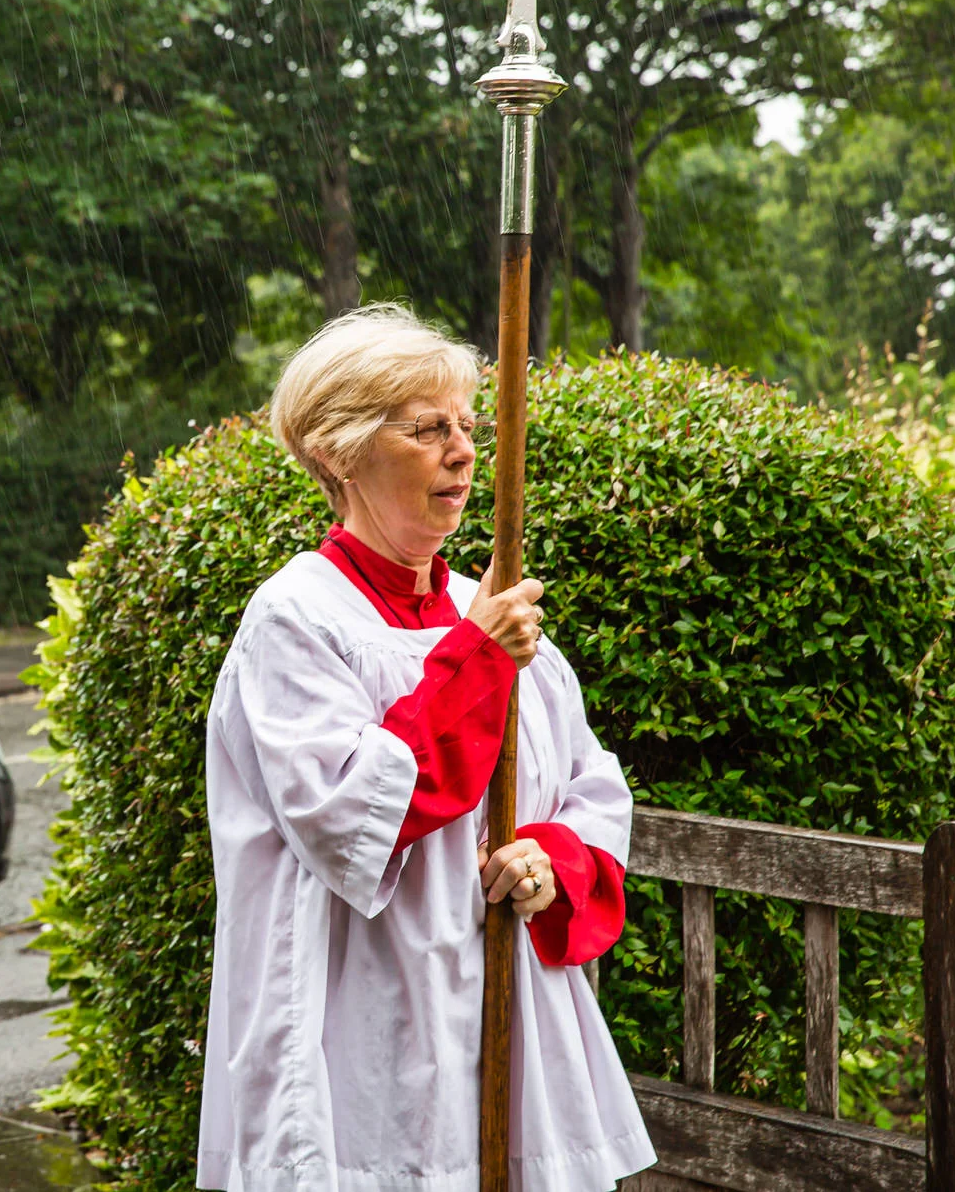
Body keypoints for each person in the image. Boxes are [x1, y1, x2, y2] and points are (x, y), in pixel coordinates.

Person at [196, 303, 655, 1192]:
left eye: (467, 427)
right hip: (366, 1031)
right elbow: (353, 815)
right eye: (427, 428)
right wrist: (476, 659)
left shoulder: (498, 625)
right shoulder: (298, 622)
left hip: (509, 1025)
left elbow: (591, 790)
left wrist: (548, 859)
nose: (461, 450)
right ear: (339, 453)